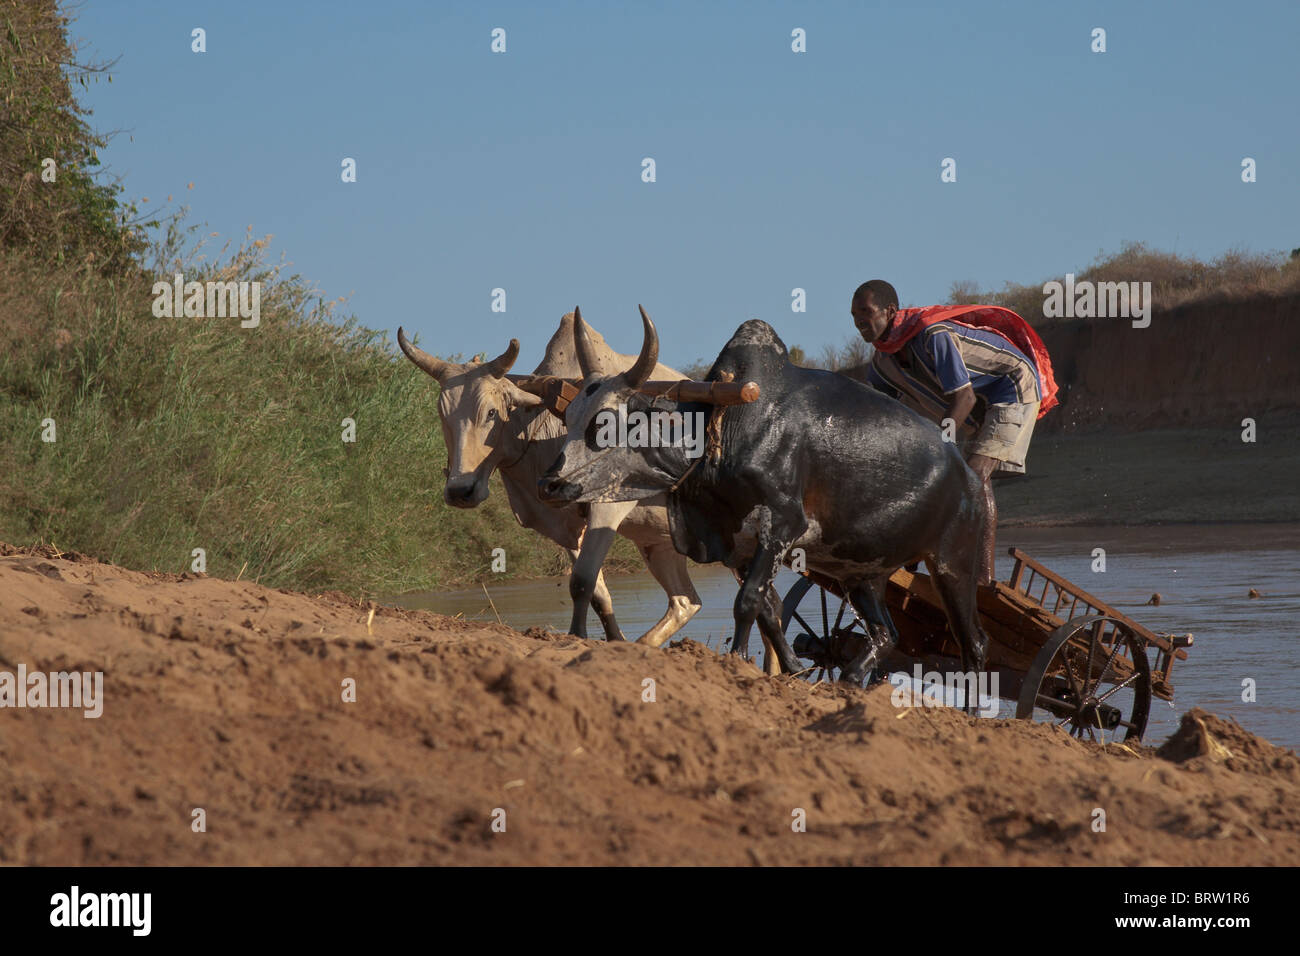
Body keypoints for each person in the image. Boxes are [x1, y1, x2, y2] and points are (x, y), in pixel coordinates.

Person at [850, 279, 1058, 586]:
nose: (859, 321)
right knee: (940, 478)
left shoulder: (932, 336)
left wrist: (940, 446)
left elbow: (964, 398)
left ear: (890, 311)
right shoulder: (882, 364)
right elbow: (885, 419)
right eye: (854, 316)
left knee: (972, 477)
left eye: (865, 312)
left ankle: (982, 580)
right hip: (976, 411)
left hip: (1010, 387)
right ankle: (915, 560)